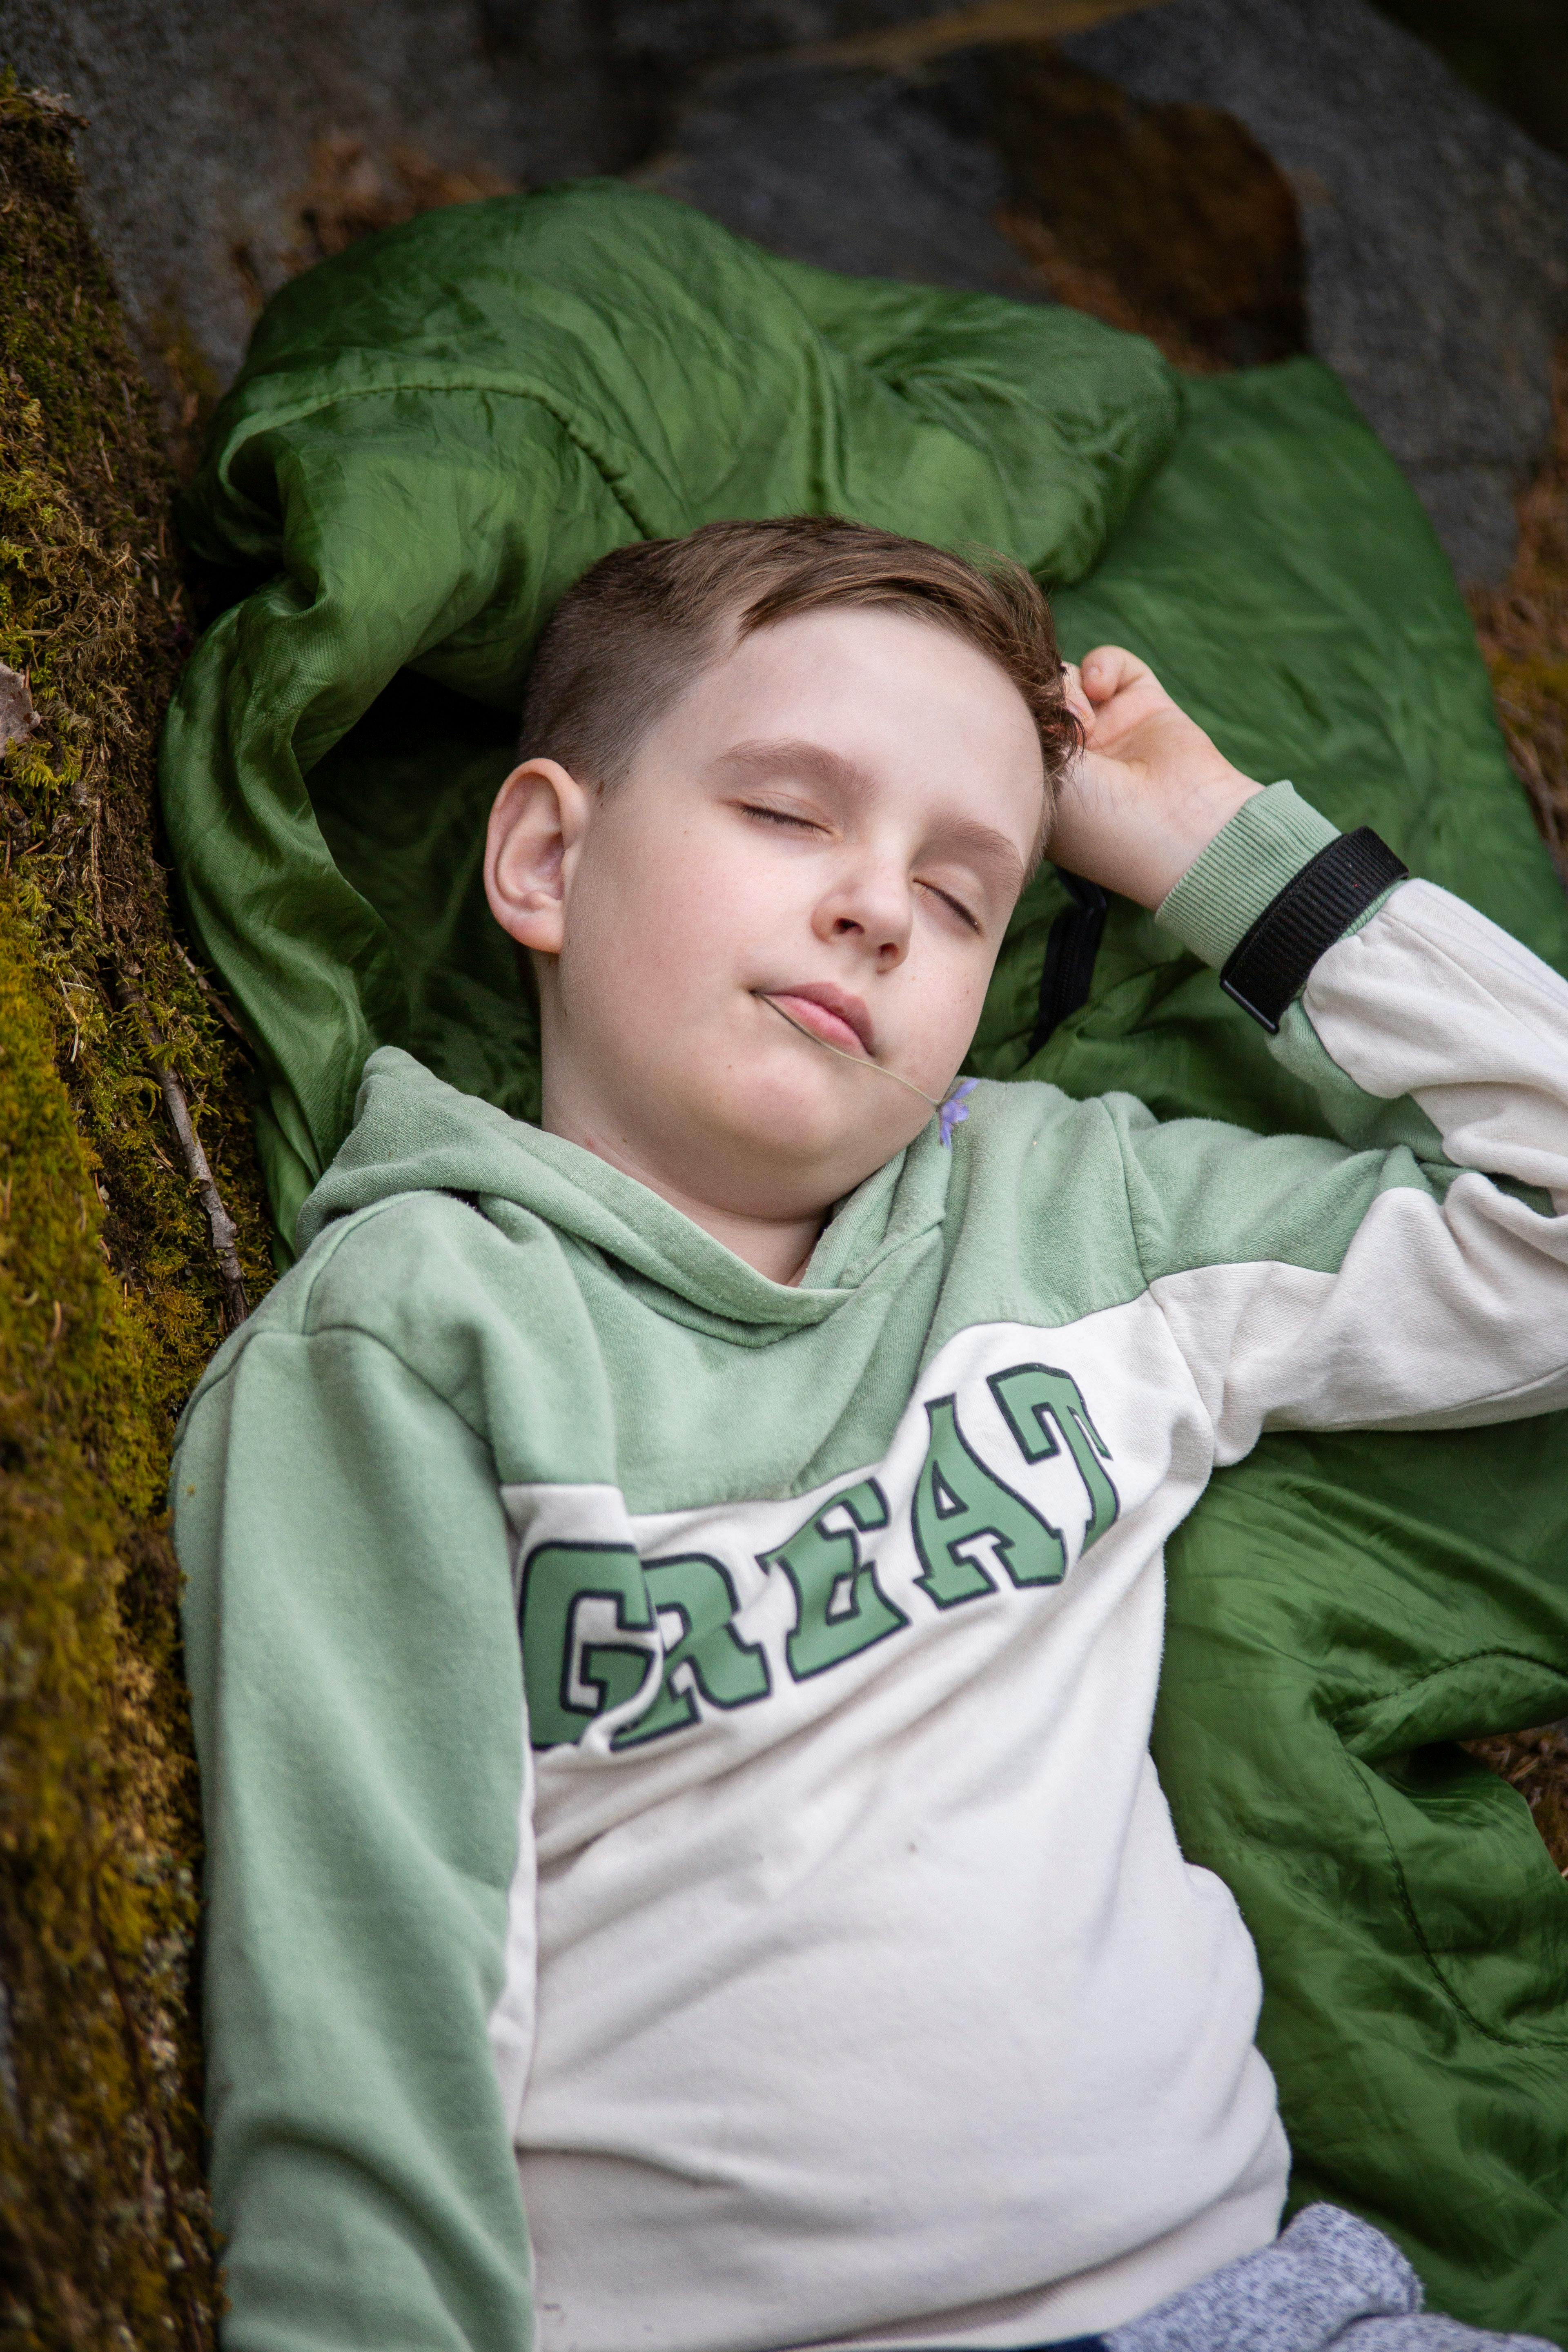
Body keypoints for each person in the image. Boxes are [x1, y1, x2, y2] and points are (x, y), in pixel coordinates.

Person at [172, 518, 1568, 2352]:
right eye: (786, 812)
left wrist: (1224, 861)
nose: (879, 906)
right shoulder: (417, 1333)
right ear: (543, 855)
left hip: (1243, 2305)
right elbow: (362, 1999)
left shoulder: (1077, 1219)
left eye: (969, 891)